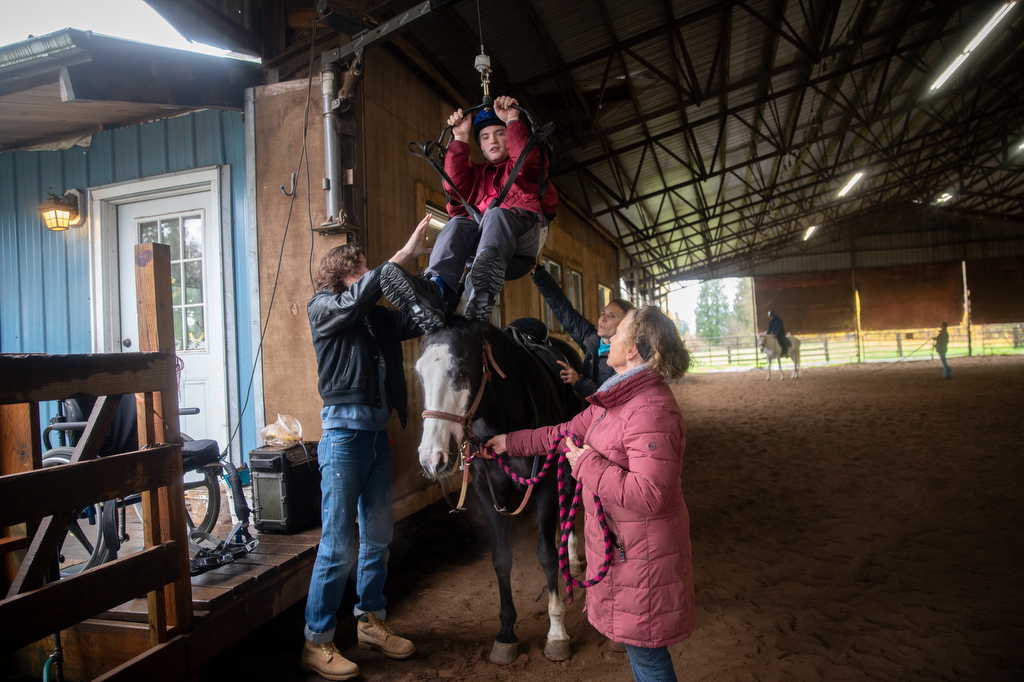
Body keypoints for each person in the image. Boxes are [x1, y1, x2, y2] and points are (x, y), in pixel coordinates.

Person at [485, 306, 695, 682]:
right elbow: (560, 432)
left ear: (632, 350)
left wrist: (586, 465)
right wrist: (507, 443)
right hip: (628, 550)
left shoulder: (650, 410)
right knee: (641, 651)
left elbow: (649, 495)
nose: (608, 338)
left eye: (617, 334)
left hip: (642, 557)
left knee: (648, 656)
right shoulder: (612, 402)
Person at [301, 217, 432, 680]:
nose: (370, 272)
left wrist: (445, 276)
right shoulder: (323, 307)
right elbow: (361, 297)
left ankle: (370, 621)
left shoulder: (373, 316)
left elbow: (416, 318)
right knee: (338, 545)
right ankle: (316, 641)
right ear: (340, 277)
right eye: (361, 268)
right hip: (343, 440)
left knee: (378, 536)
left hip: (376, 438)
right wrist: (402, 255)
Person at [381, 95, 557, 331]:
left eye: (500, 133)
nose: (492, 141)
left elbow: (528, 163)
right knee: (456, 223)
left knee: (495, 214)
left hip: (519, 249)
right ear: (480, 146)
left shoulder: (528, 171)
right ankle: (437, 291)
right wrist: (460, 137)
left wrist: (513, 120)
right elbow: (453, 186)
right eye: (485, 137)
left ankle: (482, 287)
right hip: (479, 255)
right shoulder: (476, 175)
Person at [531, 264, 635, 397]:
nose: (603, 319)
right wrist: (538, 274)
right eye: (603, 313)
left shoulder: (626, 358)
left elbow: (613, 398)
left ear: (624, 324)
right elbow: (563, 308)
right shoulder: (592, 339)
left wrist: (579, 382)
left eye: (612, 316)